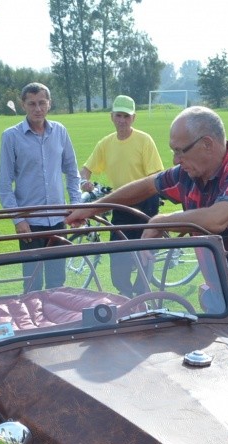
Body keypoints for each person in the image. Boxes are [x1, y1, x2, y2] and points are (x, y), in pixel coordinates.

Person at [67, 105, 228, 383]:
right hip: (220, 295)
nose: (175, 159)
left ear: (207, 144)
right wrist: (93, 208)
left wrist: (159, 221)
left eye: (180, 150)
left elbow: (217, 218)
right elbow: (147, 185)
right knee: (222, 375)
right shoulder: (188, 174)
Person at [0, 82, 80, 291]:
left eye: (42, 103)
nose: (37, 109)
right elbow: (4, 185)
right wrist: (18, 219)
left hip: (58, 220)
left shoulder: (60, 131)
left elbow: (72, 171)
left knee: (57, 283)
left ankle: (57, 323)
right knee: (32, 283)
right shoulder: (11, 136)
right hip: (30, 224)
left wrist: (76, 206)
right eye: (32, 104)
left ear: (49, 104)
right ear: (23, 105)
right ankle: (33, 323)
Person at [78, 94, 165, 296]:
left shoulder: (144, 140)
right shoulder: (105, 144)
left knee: (143, 248)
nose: (122, 120)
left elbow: (155, 175)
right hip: (120, 202)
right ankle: (126, 294)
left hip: (145, 200)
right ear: (112, 117)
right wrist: (84, 182)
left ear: (133, 118)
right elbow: (86, 169)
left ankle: (142, 294)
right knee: (117, 255)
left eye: (126, 116)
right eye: (119, 115)